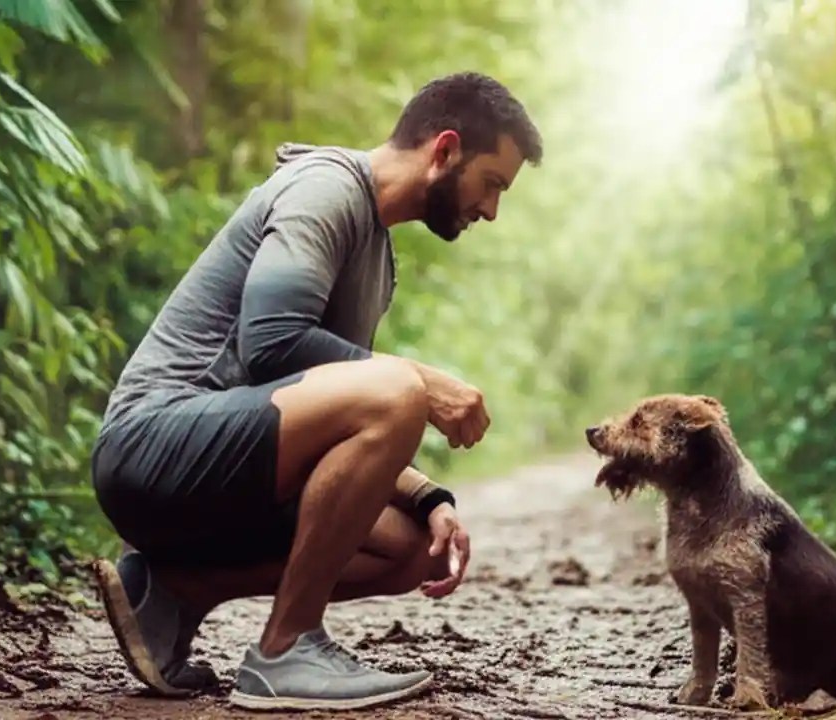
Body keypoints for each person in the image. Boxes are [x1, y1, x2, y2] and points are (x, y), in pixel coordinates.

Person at [88, 71, 543, 711]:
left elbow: (334, 416)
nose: (491, 209)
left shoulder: (378, 260)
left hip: (229, 468)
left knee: (416, 550)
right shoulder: (326, 187)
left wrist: (429, 497)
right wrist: (420, 380)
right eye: (492, 183)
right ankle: (285, 650)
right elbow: (271, 341)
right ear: (444, 149)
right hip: (151, 449)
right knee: (395, 387)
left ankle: (175, 590)